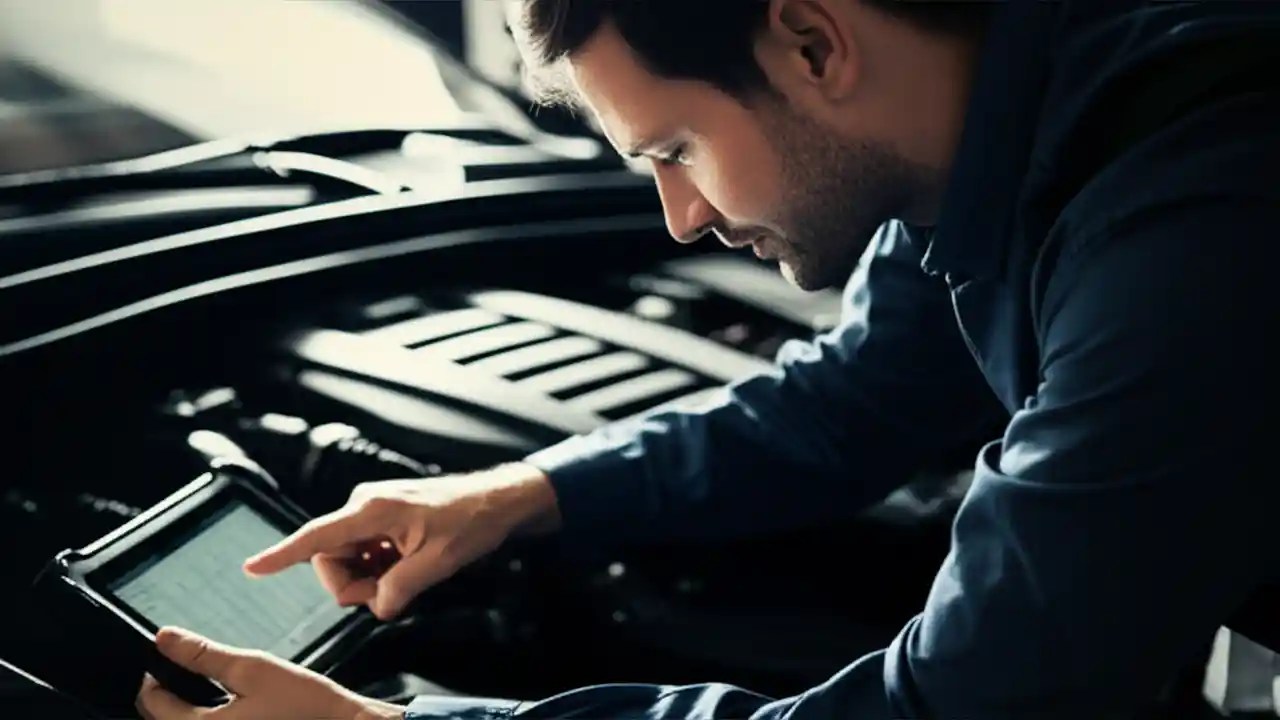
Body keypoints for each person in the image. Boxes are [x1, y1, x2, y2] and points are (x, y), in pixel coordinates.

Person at [135, 0, 1280, 718]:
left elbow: (966, 706)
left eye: (675, 149)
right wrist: (517, 496)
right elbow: (852, 402)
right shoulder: (1003, 128)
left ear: (809, 41)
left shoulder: (1192, 230)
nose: (678, 218)